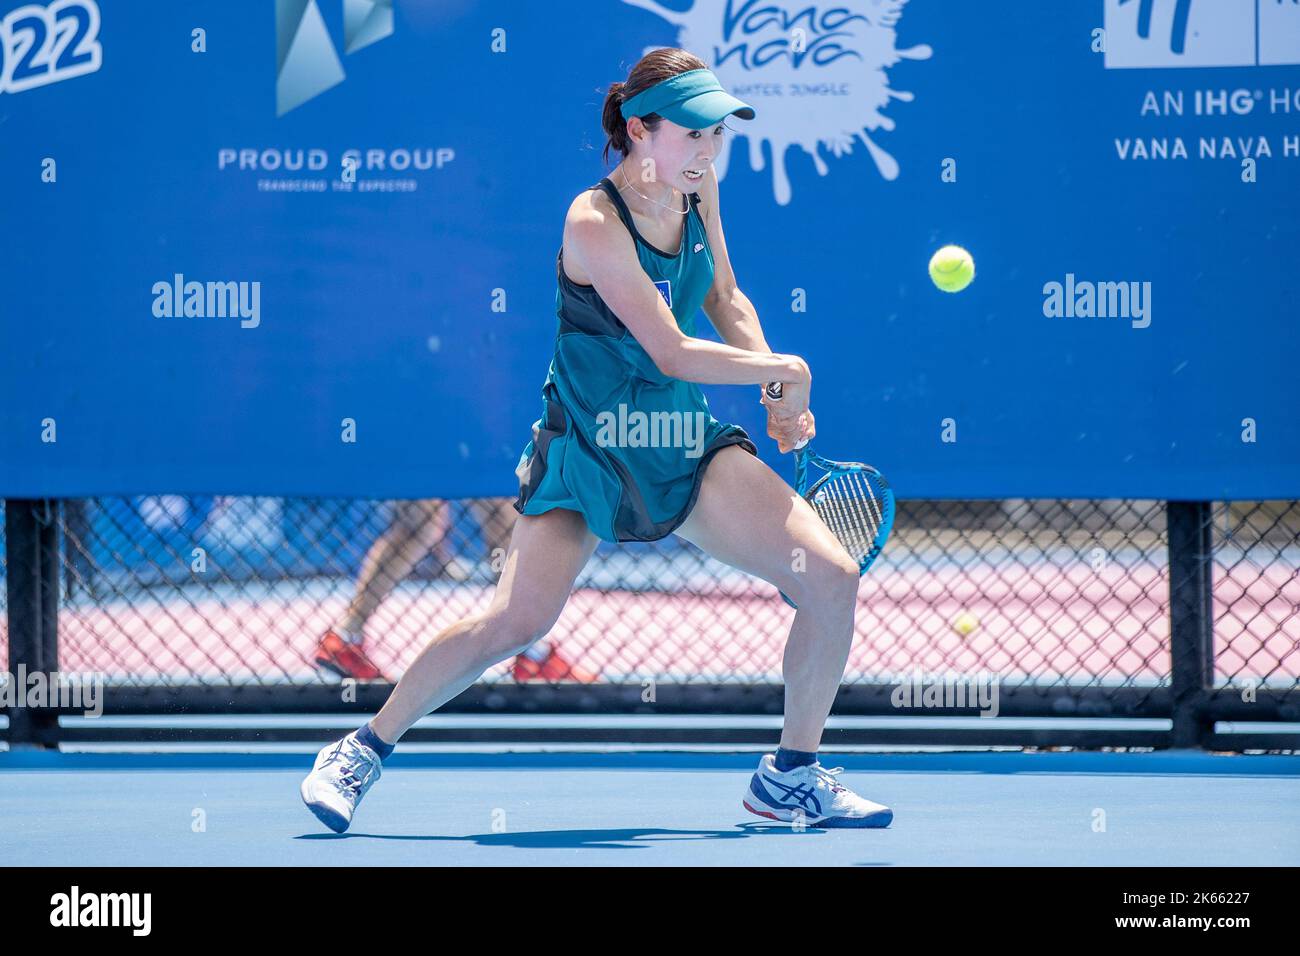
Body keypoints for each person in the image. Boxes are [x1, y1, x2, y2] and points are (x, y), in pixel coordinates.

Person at [301, 49, 893, 831]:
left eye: (717, 133)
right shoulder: (592, 222)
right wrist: (781, 370)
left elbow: (721, 294)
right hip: (588, 444)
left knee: (830, 577)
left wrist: (774, 379)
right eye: (692, 132)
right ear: (641, 130)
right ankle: (364, 747)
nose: (709, 150)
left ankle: (791, 775)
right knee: (516, 623)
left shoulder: (697, 187)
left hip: (680, 438)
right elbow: (669, 350)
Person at [311, 497, 594, 682]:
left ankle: (346, 635)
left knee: (423, 523)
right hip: (425, 411)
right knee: (492, 508)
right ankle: (530, 651)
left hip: (428, 411)